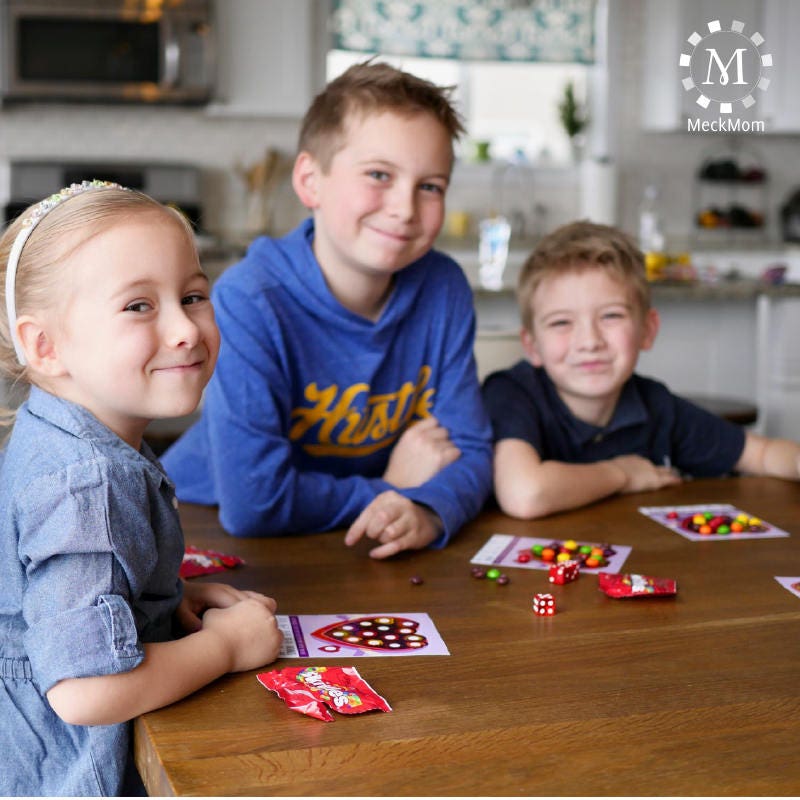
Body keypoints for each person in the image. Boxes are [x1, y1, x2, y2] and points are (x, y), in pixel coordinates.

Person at [0, 181, 283, 796]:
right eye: (138, 306)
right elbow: (86, 690)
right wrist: (226, 650)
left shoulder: (74, 432)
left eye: (193, 295)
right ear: (44, 346)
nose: (185, 328)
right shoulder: (87, 482)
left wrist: (158, 598)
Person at [162, 62, 493, 558]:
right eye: (379, 174)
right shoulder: (250, 300)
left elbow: (470, 449)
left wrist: (428, 508)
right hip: (206, 528)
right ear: (310, 181)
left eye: (431, 186)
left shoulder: (442, 288)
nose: (405, 207)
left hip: (359, 532)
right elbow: (254, 503)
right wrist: (390, 484)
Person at [482, 220, 800, 519]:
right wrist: (622, 473)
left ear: (647, 330)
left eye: (611, 316)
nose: (589, 341)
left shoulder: (656, 406)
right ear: (532, 345)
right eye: (561, 322)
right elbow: (525, 494)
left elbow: (762, 454)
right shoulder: (510, 394)